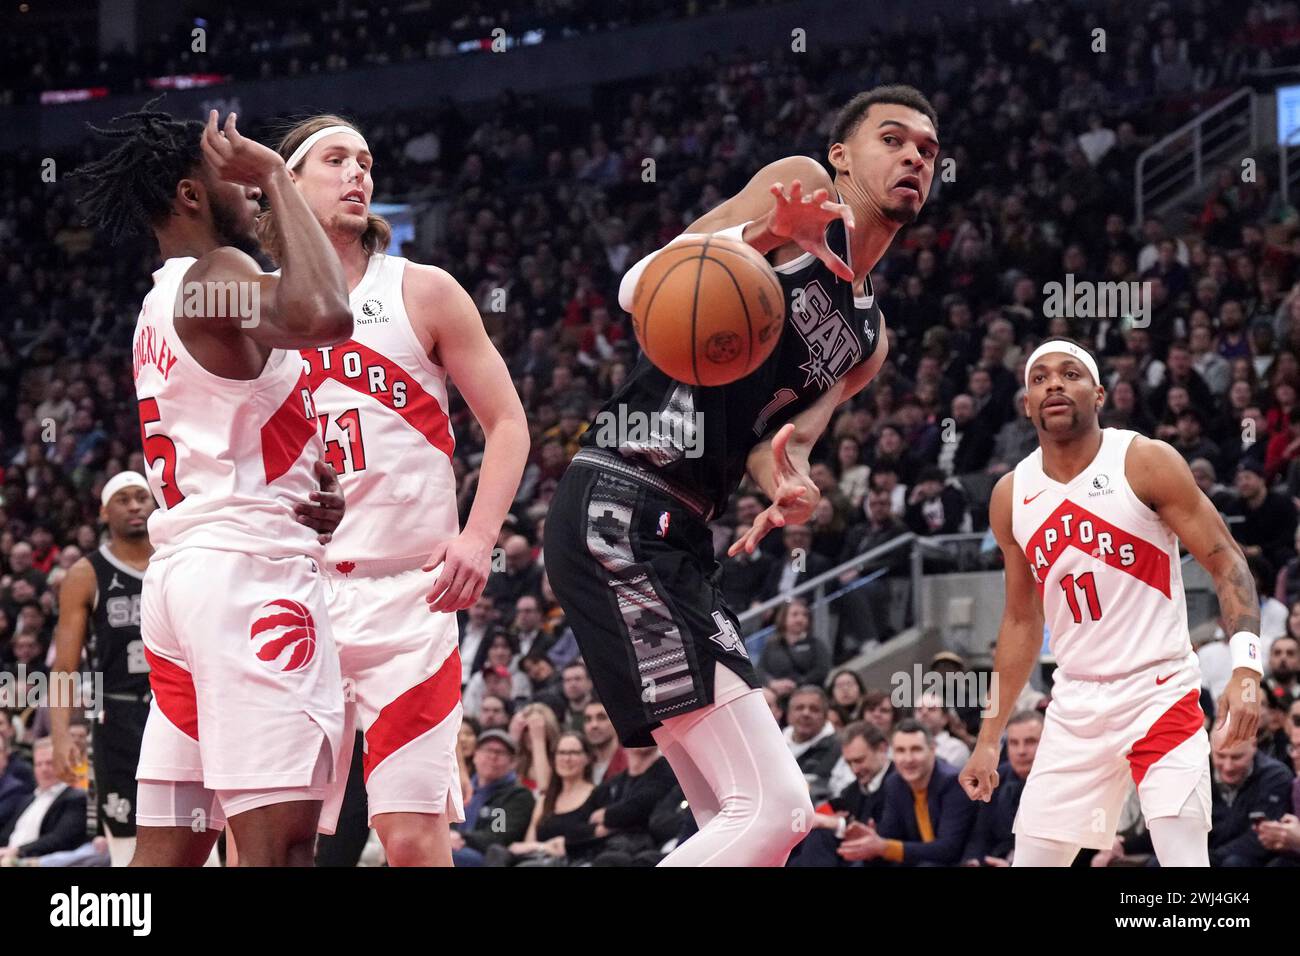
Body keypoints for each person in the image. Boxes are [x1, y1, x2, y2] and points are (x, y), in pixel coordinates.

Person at [544, 84, 937, 865]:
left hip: (676, 532)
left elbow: (781, 446)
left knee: (735, 819)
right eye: (892, 140)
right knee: (779, 813)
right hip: (622, 500)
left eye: (927, 152)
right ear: (841, 157)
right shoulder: (800, 195)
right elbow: (639, 291)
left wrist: (793, 487)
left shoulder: (870, 337)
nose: (913, 159)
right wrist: (759, 235)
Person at [74, 105, 353, 866]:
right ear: (194, 197)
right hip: (248, 585)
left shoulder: (158, 304)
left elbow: (232, 426)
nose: (257, 196)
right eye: (239, 184)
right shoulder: (214, 277)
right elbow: (327, 314)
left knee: (164, 860)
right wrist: (272, 172)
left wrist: (298, 485)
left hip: (189, 584)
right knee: (280, 851)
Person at [267, 115, 528, 866]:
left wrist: (478, 537)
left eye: (367, 161)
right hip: (298, 595)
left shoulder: (422, 289)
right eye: (336, 160)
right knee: (279, 838)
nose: (359, 174)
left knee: (412, 839)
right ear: (287, 184)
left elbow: (507, 422)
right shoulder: (258, 310)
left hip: (410, 598)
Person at [961, 338, 1264, 867]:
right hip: (1075, 701)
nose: (1054, 383)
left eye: (1071, 373)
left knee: (1185, 864)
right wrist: (990, 737)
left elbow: (1227, 561)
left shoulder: (1144, 461)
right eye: (1040, 378)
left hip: (1159, 691)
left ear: (1098, 393)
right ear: (1026, 405)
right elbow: (1019, 620)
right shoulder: (1011, 494)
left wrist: (1246, 669)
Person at [48, 472, 155, 867]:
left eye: (141, 497)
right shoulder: (86, 574)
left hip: (178, 709)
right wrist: (60, 736)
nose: (133, 506)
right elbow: (64, 668)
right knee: (128, 842)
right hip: (117, 717)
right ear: (104, 510)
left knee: (200, 832)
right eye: (123, 499)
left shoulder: (177, 559)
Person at [837, 720, 976, 866]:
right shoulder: (894, 783)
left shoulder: (953, 782)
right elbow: (889, 837)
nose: (908, 759)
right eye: (900, 751)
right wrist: (870, 840)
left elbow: (948, 849)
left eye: (916, 749)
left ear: (933, 749)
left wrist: (884, 846)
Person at [788, 720, 892, 867]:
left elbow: (888, 834)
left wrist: (838, 824)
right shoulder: (851, 791)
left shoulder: (900, 783)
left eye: (859, 760)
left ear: (882, 749)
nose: (854, 770)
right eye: (849, 763)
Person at [498, 731, 600, 866]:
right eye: (561, 753)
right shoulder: (545, 799)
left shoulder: (597, 795)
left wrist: (543, 847)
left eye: (574, 753)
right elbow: (528, 844)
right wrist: (544, 848)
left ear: (587, 758)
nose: (567, 759)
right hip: (538, 860)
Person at [961, 710, 1042, 866]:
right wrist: (973, 861)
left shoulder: (1062, 783)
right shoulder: (996, 777)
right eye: (1014, 743)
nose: (1021, 751)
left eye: (1030, 741)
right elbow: (980, 834)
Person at [450, 729, 535, 867]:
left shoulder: (515, 796)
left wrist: (461, 838)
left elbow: (497, 836)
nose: (492, 757)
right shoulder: (461, 789)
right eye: (487, 750)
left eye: (500, 753)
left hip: (485, 857)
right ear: (475, 755)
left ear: (513, 762)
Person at [1208, 734, 1295, 866]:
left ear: (1254, 746)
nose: (1228, 766)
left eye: (1237, 757)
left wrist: (1210, 859)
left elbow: (1262, 839)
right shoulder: (1196, 774)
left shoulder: (1275, 776)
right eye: (1220, 756)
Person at [0, 739, 88, 864]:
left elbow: (60, 839)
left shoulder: (76, 798)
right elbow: (6, 835)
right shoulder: (29, 799)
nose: (44, 769)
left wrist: (17, 851)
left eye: (50, 763)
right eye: (39, 764)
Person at [757, 598, 831, 697]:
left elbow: (821, 670)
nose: (800, 619)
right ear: (783, 618)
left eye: (804, 615)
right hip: (778, 697)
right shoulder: (771, 646)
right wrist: (772, 683)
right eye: (795, 614)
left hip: (809, 695)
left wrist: (796, 685)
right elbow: (760, 670)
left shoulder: (816, 644)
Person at [784, 686, 842, 802]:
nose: (806, 714)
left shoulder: (839, 748)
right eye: (799, 708)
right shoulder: (774, 745)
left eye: (814, 709)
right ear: (788, 714)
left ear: (825, 716)